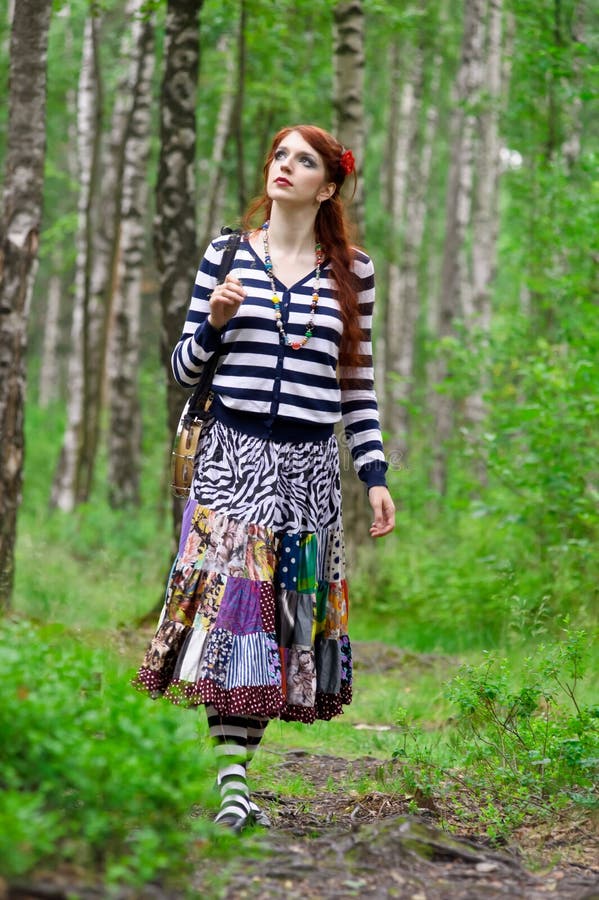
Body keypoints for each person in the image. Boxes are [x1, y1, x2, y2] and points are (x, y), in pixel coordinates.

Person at [134, 124, 395, 832]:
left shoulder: (354, 274)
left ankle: (237, 781)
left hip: (310, 470)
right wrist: (215, 323)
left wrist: (372, 473)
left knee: (277, 630)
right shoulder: (225, 256)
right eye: (279, 154)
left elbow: (356, 387)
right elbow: (182, 369)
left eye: (303, 160)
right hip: (231, 457)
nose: (284, 166)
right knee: (232, 616)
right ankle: (232, 787)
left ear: (327, 185)